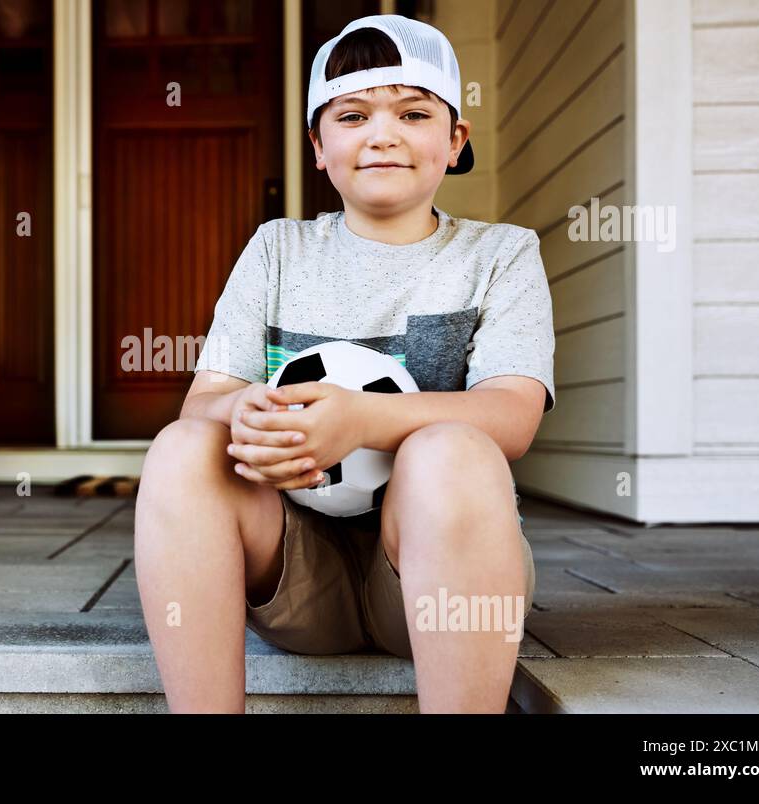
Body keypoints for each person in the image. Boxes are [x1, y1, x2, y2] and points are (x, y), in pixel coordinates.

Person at [134, 13, 557, 714]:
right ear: (319, 146)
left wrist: (361, 419)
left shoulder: (500, 254)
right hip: (295, 581)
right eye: (353, 115)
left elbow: (510, 418)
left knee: (454, 449)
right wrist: (243, 412)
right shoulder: (277, 249)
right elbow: (202, 402)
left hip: (438, 583)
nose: (382, 134)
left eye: (414, 113)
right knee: (184, 449)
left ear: (455, 142)